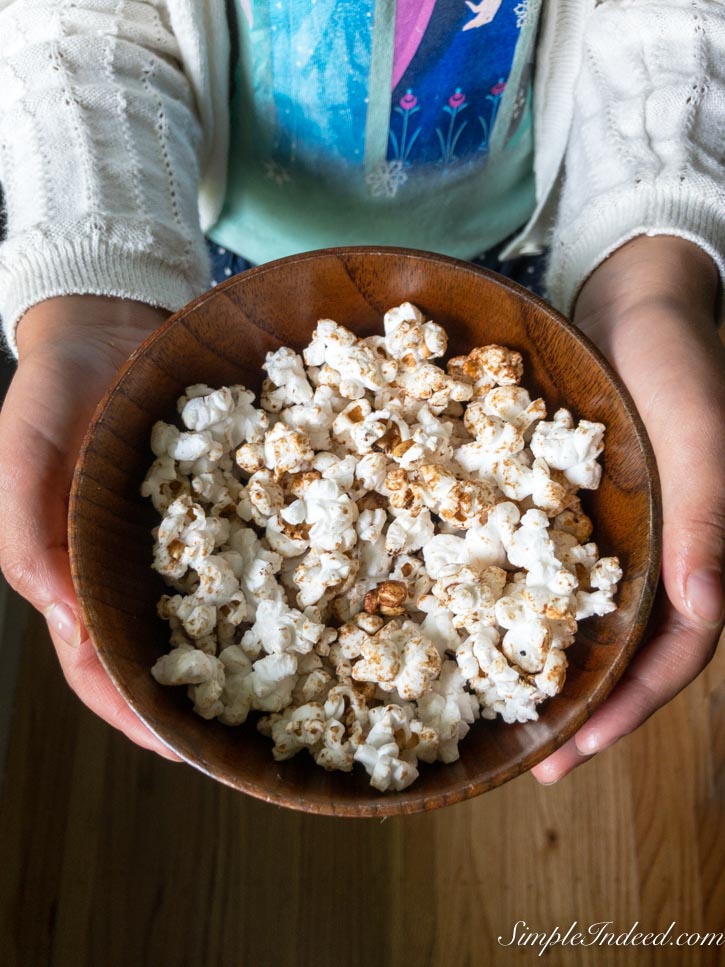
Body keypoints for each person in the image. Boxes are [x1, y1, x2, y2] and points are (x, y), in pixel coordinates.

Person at [0, 0, 722, 780]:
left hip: (532, 232)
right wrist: (95, 291)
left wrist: (647, 281)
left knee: (494, 374)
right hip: (213, 248)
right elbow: (78, 20)